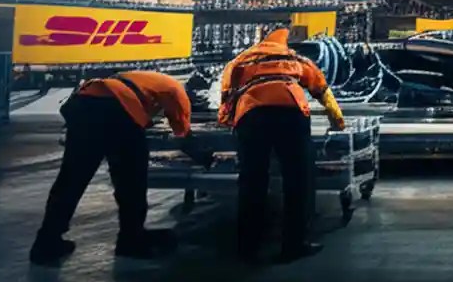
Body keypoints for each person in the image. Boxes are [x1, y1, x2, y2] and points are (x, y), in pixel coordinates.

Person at [30, 70, 193, 266]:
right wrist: (202, 153)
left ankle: (47, 242)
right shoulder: (177, 90)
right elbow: (182, 132)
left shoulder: (144, 78)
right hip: (116, 109)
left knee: (71, 179)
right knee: (131, 181)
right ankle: (131, 240)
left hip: (84, 103)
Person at [219, 28, 345, 263]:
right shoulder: (295, 58)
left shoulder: (242, 59)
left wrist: (226, 120)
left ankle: (247, 246)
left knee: (252, 181)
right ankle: (294, 245)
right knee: (298, 181)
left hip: (251, 114)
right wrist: (337, 120)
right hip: (291, 112)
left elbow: (227, 92)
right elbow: (322, 90)